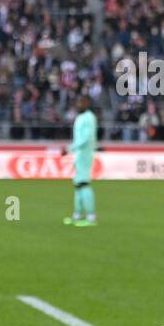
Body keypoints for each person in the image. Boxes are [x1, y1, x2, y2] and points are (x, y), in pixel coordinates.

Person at [61, 94, 97, 227]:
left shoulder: (89, 117)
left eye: (81, 102)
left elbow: (86, 138)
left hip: (85, 153)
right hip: (80, 154)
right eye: (78, 102)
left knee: (83, 183)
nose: (78, 104)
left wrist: (70, 148)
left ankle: (91, 216)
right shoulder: (80, 117)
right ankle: (77, 215)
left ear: (87, 103)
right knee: (77, 184)